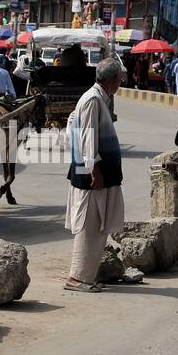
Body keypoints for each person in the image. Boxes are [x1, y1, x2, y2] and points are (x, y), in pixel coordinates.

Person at [64, 58, 125, 292]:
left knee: (97, 225)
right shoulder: (92, 99)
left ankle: (85, 275)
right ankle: (77, 278)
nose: (120, 83)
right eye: (119, 79)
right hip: (92, 174)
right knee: (89, 225)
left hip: (97, 170)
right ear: (111, 79)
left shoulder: (99, 98)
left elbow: (74, 122)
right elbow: (88, 135)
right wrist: (94, 169)